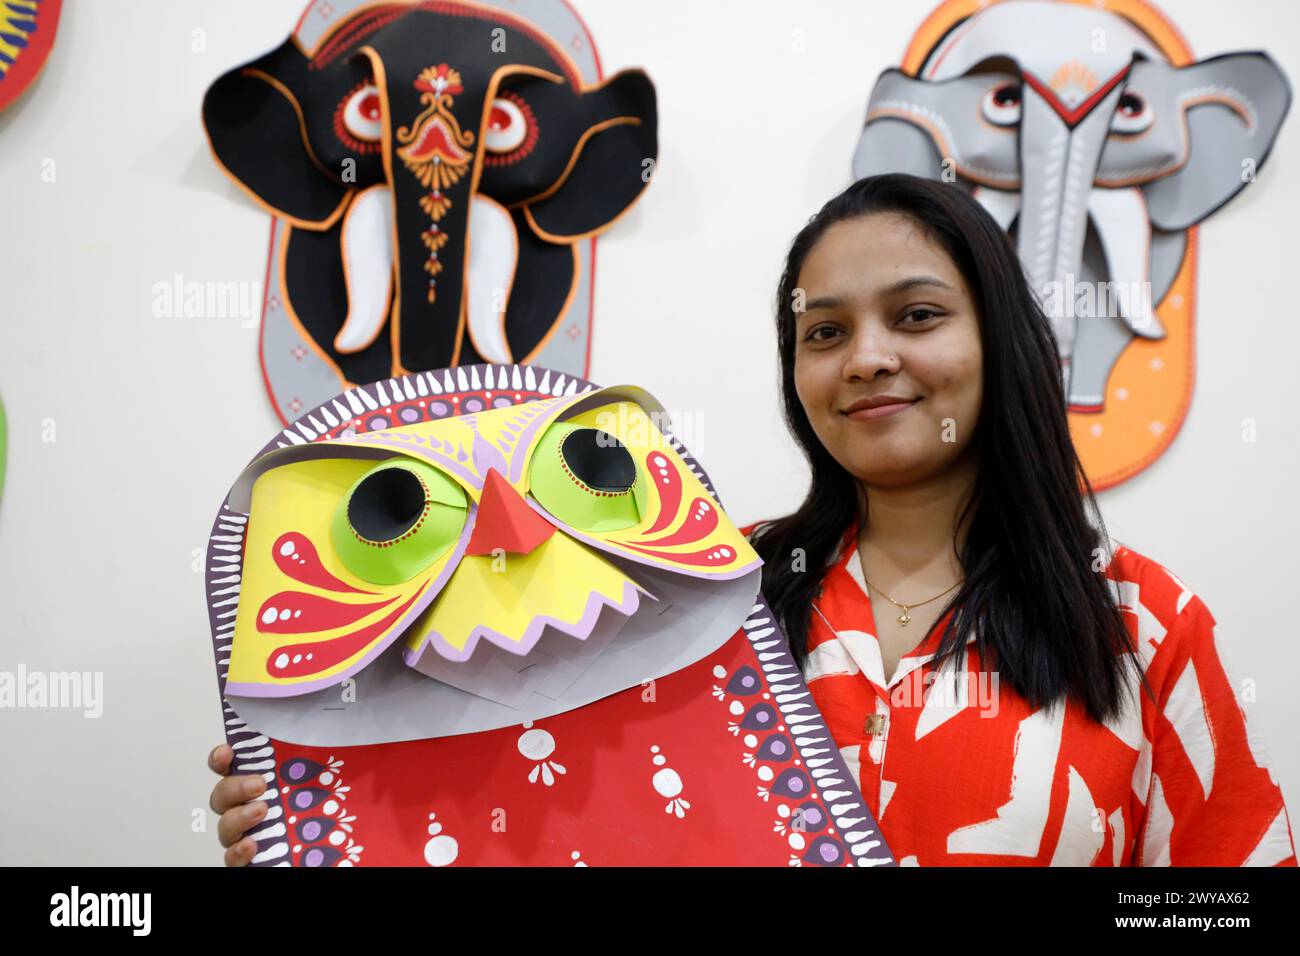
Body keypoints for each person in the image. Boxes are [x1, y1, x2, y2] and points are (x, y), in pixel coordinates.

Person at [207, 173, 1296, 866]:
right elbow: (538, 816)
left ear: (999, 339)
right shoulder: (697, 592)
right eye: (823, 333)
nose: (866, 357)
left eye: (914, 315)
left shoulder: (1140, 622)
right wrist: (325, 807)